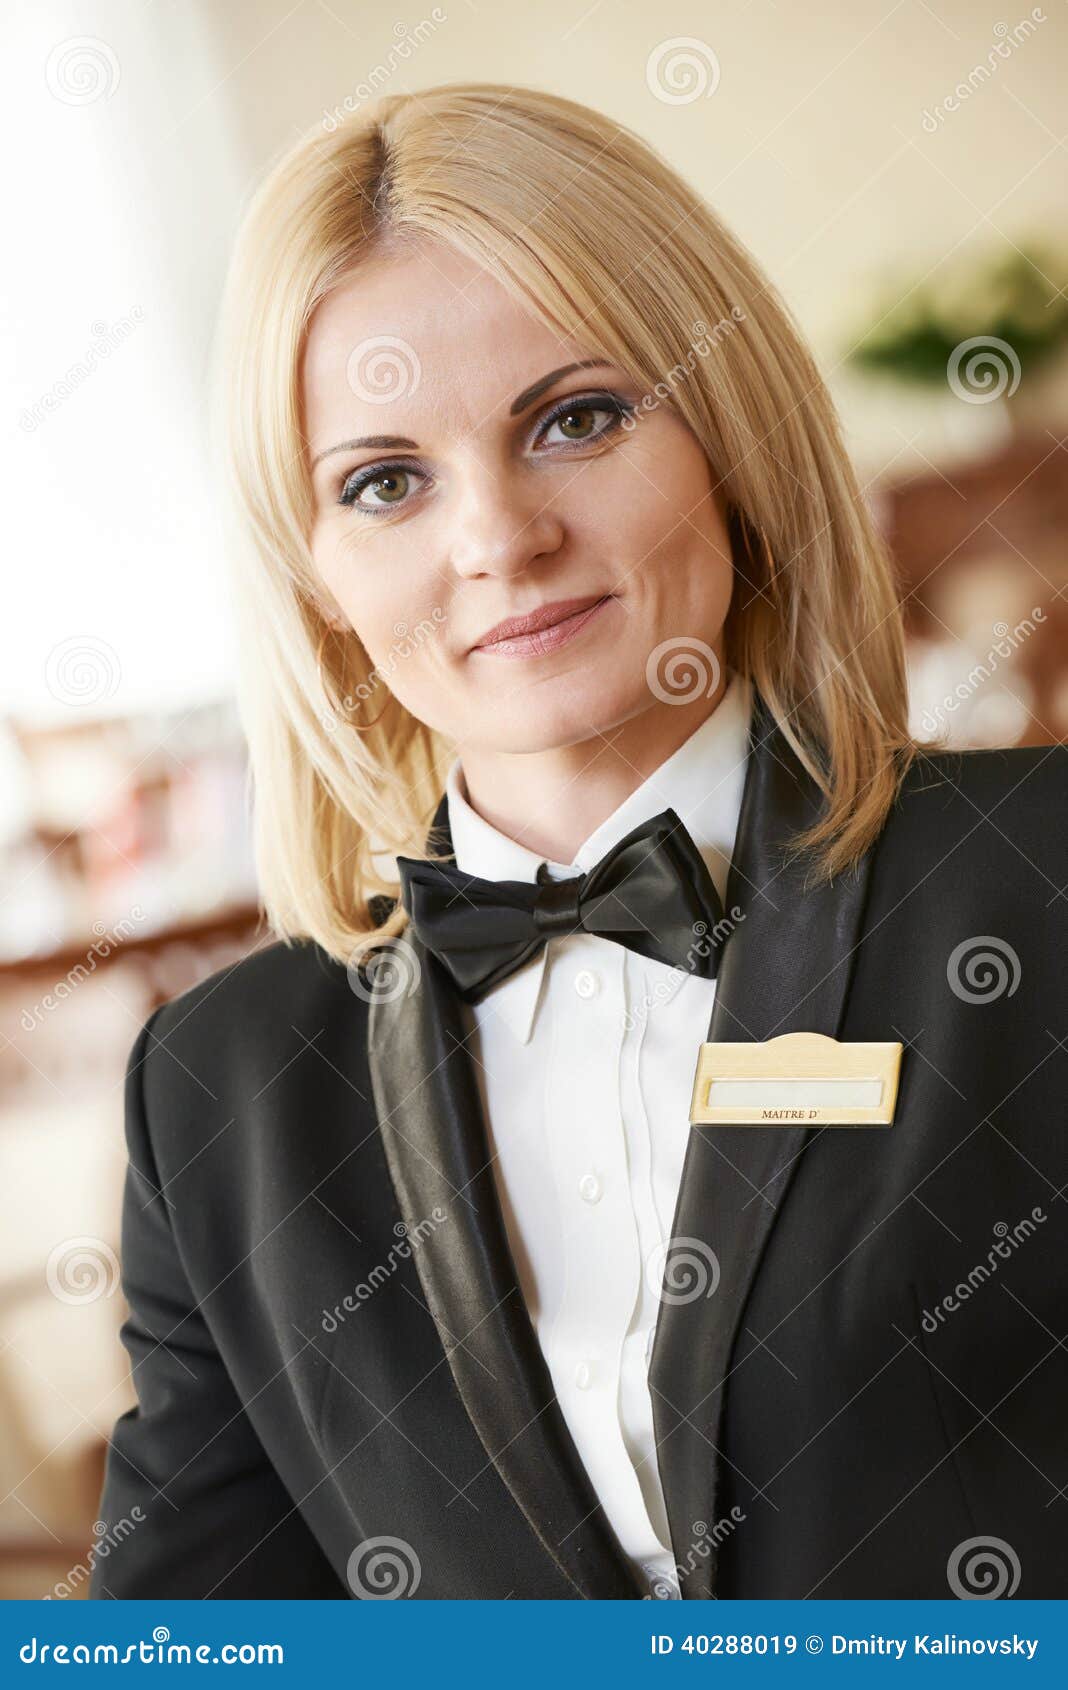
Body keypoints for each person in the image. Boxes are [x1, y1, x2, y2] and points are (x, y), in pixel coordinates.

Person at [90, 83, 1066, 1602]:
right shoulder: (219, 1090)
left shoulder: (1037, 884)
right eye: (386, 480)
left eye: (577, 417)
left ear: (728, 439)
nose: (495, 538)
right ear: (318, 575)